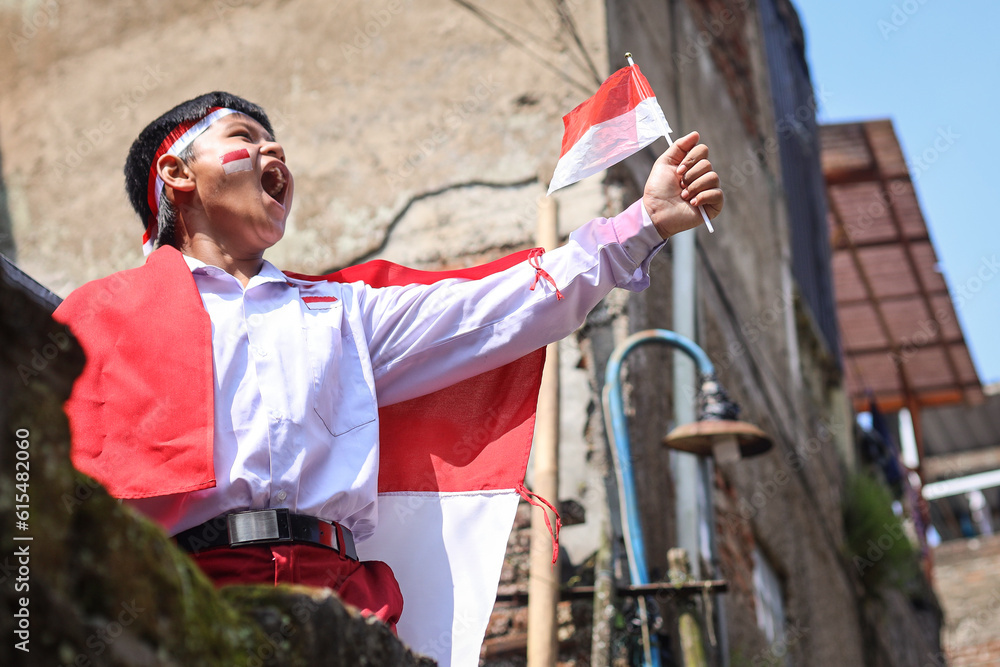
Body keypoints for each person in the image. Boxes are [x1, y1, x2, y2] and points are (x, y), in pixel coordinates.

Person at [53, 91, 722, 659]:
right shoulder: (98, 317)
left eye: (276, 143)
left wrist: (642, 223)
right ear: (176, 170)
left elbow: (502, 306)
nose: (275, 154)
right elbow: (41, 479)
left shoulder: (342, 313)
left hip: (345, 601)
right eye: (244, 138)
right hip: (187, 590)